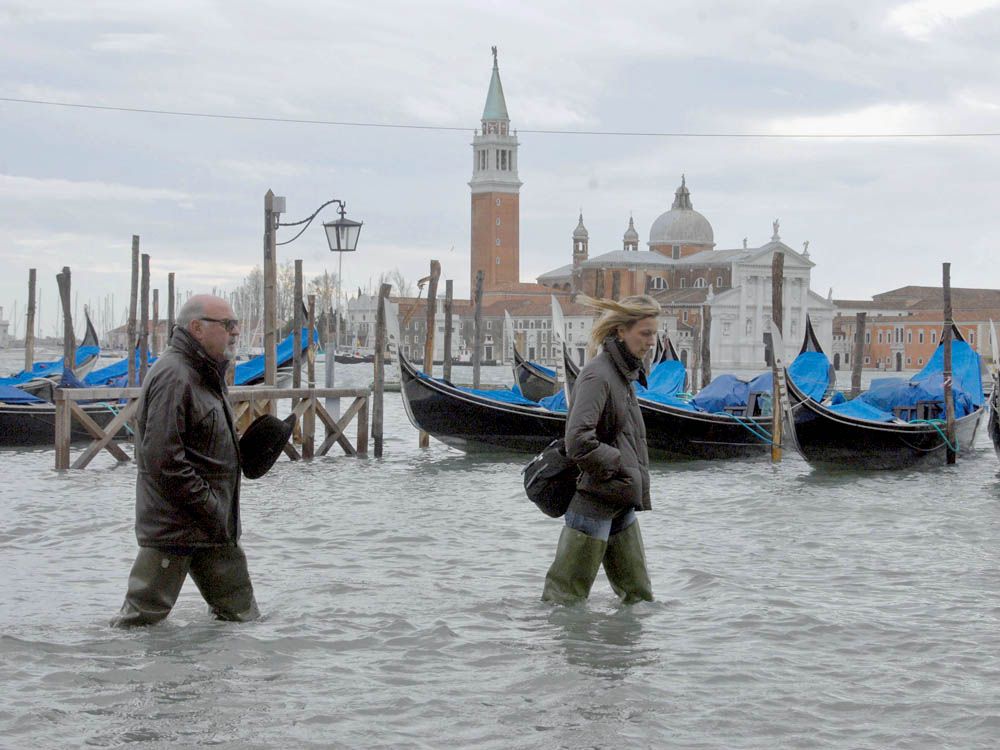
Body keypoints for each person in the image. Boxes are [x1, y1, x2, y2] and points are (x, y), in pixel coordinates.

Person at [110, 294, 259, 627]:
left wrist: (249, 454)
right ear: (197, 328)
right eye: (228, 325)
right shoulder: (175, 376)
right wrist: (208, 504)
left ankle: (234, 678)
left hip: (212, 527)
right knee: (138, 624)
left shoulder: (206, 372)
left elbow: (204, 446)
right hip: (175, 528)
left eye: (236, 325)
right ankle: (130, 678)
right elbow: (162, 460)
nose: (235, 332)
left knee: (242, 620)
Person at [542, 294, 660, 605]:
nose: (651, 341)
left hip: (621, 501)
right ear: (621, 331)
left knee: (640, 600)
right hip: (594, 505)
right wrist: (620, 465)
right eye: (645, 333)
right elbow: (578, 440)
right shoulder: (598, 375)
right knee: (563, 603)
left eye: (654, 333)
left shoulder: (624, 375)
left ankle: (628, 654)